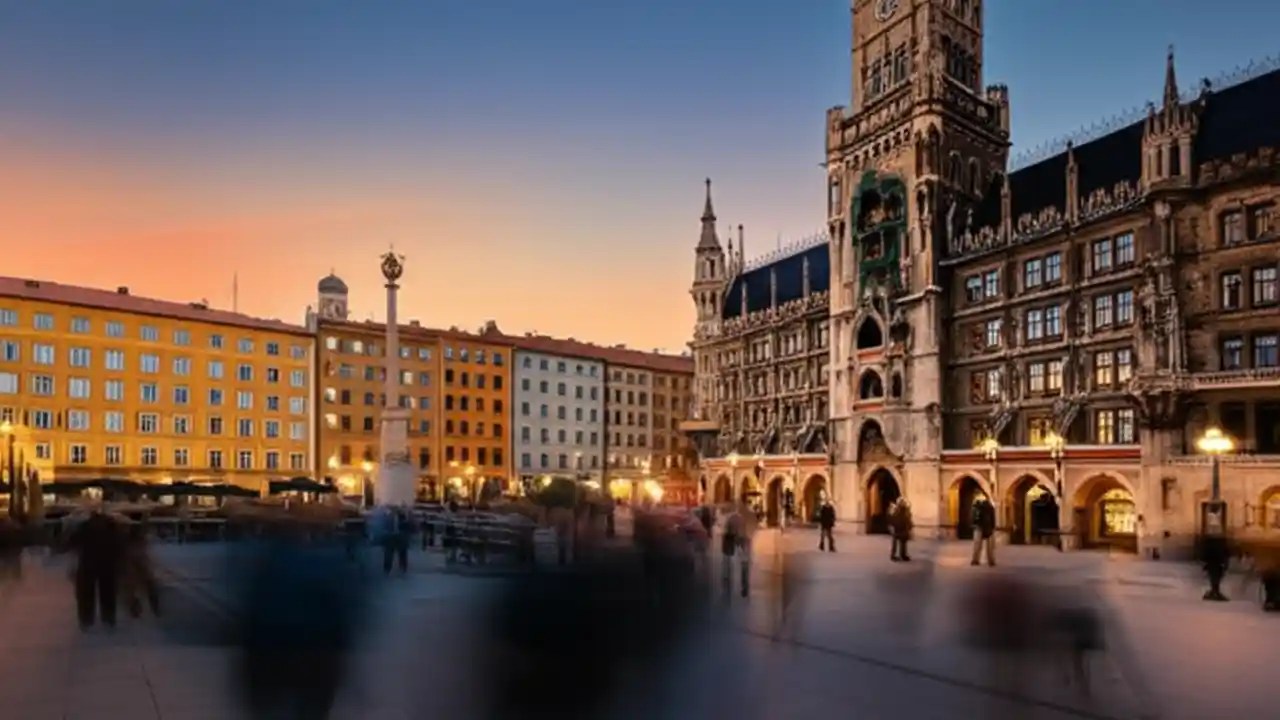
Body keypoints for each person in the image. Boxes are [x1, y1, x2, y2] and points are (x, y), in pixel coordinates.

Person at [67, 510, 126, 629]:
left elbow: (72, 542)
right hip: (107, 564)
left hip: (88, 564)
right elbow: (120, 545)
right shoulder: (112, 528)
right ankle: (108, 619)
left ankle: (87, 620)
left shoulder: (84, 527)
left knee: (86, 594)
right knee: (108, 593)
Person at [971, 497, 997, 567]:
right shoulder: (990, 507)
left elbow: (973, 518)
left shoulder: (976, 507)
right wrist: (993, 527)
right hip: (988, 526)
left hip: (978, 527)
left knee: (977, 545)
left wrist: (973, 524)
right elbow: (993, 518)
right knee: (990, 546)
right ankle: (991, 560)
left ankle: (975, 560)